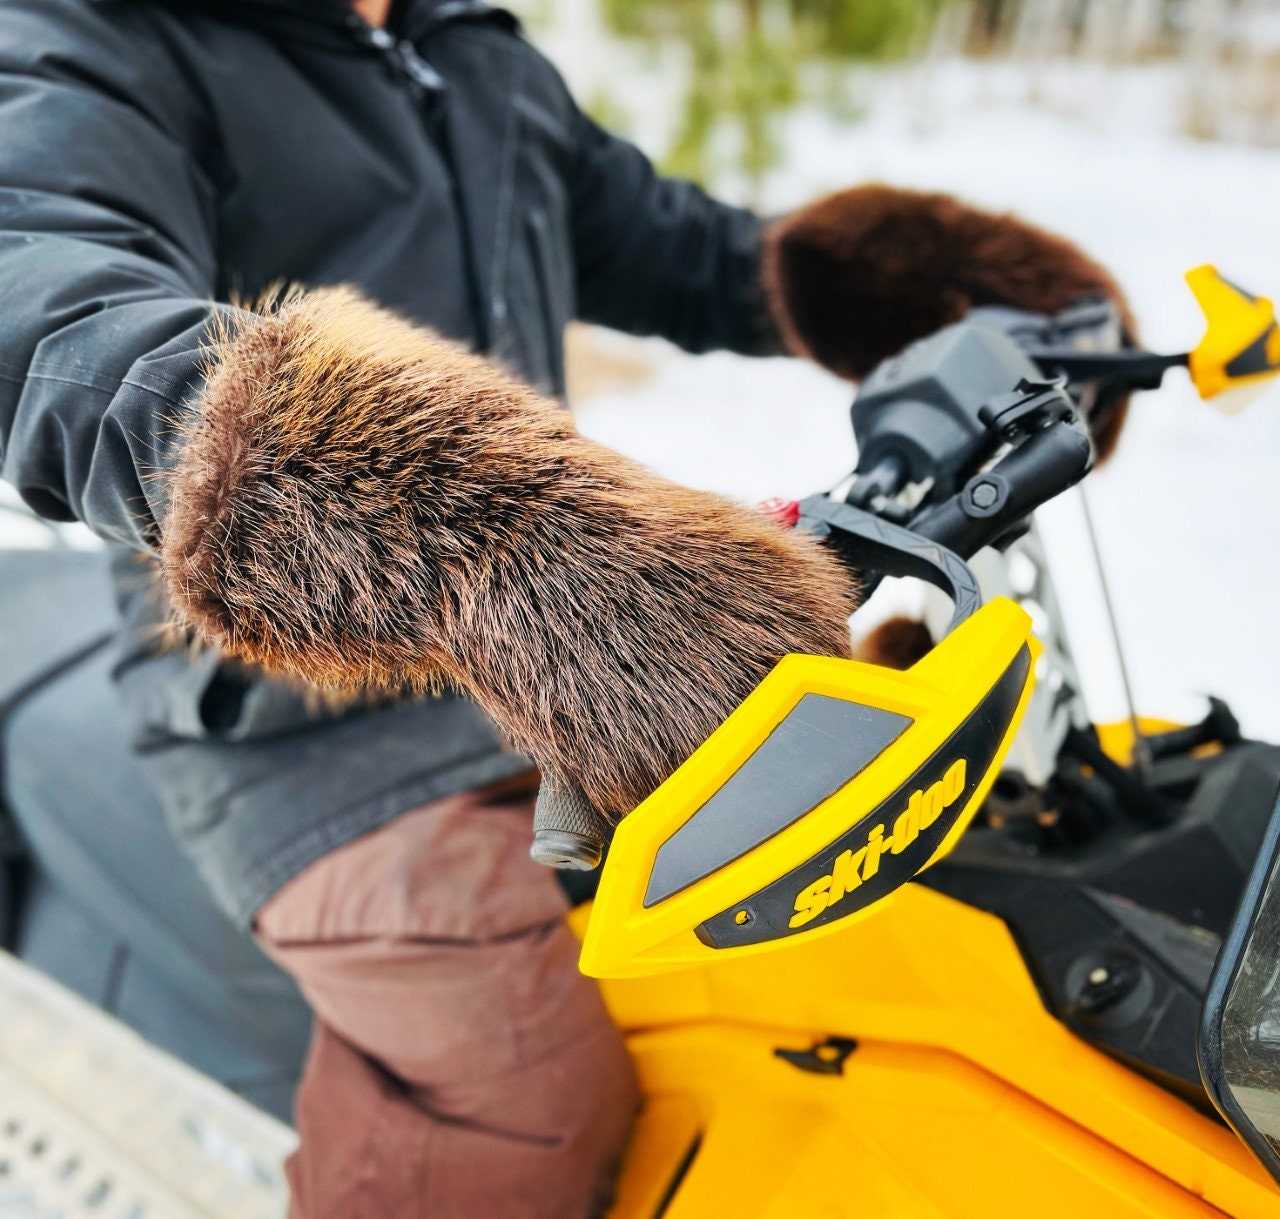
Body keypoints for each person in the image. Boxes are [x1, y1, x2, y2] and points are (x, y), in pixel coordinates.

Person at [0, 0, 1134, 1214]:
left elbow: (678, 248)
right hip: (311, 740)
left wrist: (934, 292)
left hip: (577, 655)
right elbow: (45, 312)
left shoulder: (467, 48)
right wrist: (488, 532)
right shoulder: (95, 37)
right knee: (524, 1106)